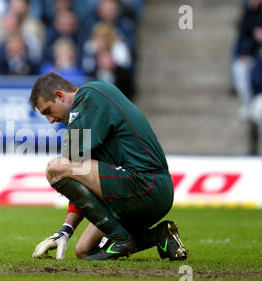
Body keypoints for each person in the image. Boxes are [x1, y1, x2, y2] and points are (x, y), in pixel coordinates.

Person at [29, 73, 188, 261]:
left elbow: (69, 163)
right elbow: (80, 179)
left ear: (60, 95)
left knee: (55, 168)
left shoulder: (89, 96)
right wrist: (66, 231)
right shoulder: (91, 111)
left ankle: (121, 238)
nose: (50, 120)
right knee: (84, 250)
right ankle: (160, 236)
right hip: (143, 190)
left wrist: (68, 156)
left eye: (48, 111)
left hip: (146, 184)